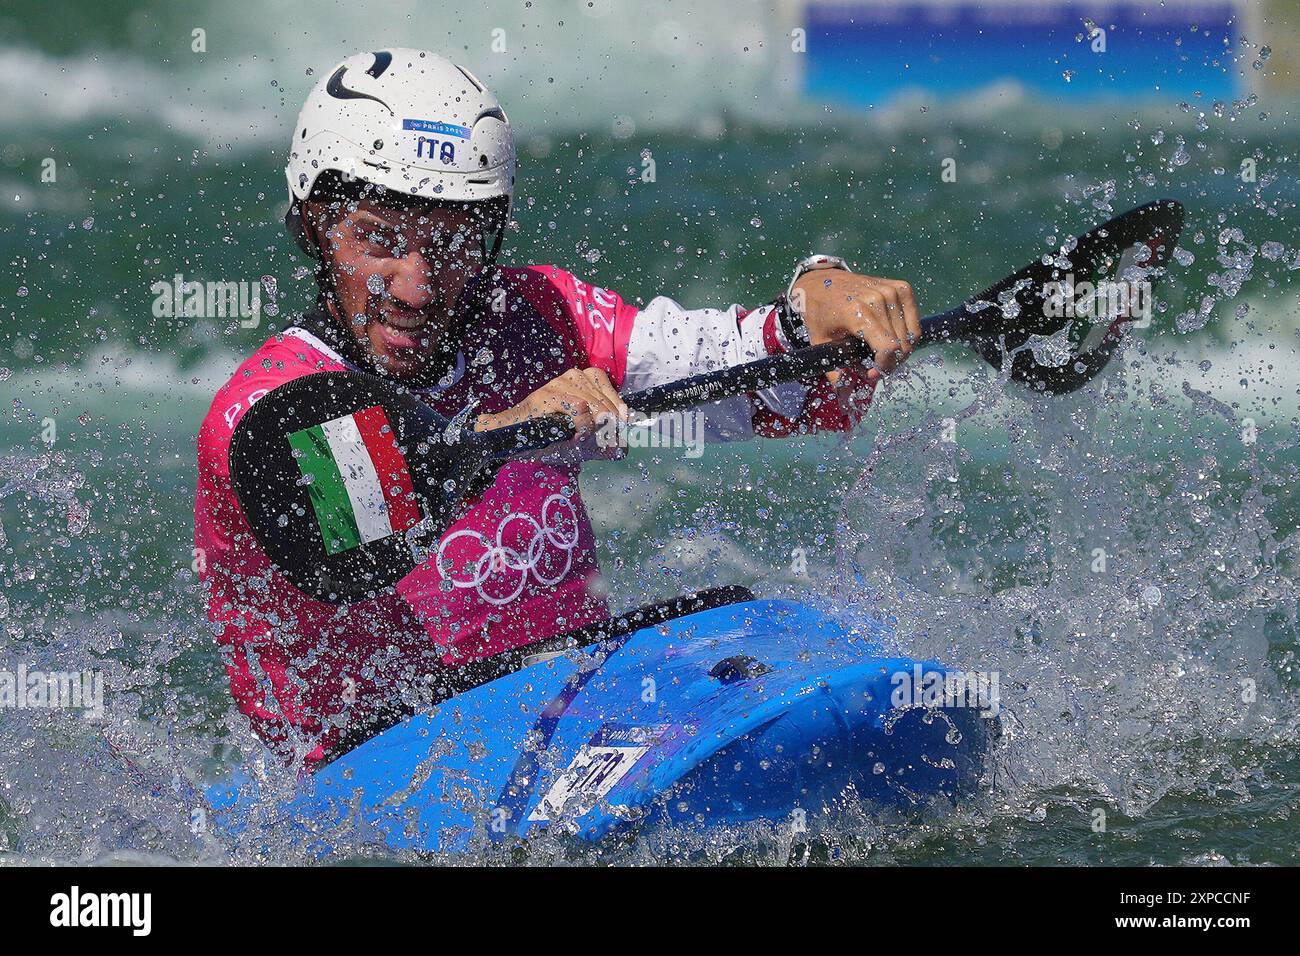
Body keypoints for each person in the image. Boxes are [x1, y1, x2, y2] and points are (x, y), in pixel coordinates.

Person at [194, 48, 921, 768]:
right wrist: (512, 430)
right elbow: (354, 519)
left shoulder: (532, 314)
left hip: (576, 703)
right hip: (376, 767)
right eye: (379, 240)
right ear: (316, 226)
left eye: (451, 243)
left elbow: (750, 382)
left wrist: (808, 311)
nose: (416, 289)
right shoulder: (263, 412)